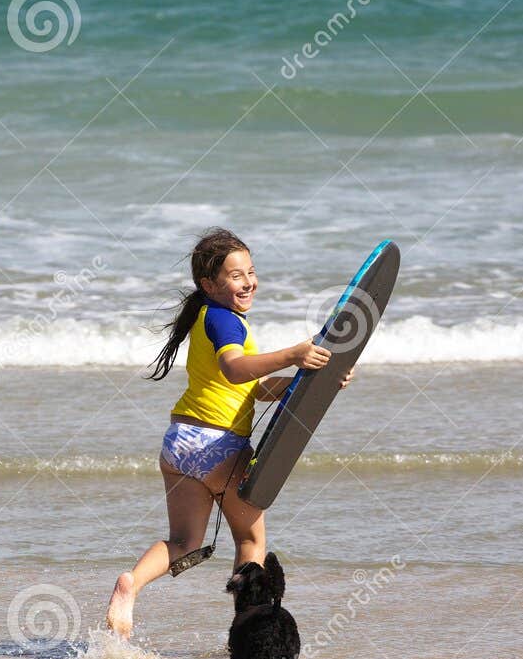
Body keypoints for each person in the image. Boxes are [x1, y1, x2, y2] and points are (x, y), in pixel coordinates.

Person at [105, 228, 351, 637]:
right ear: (209, 284)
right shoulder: (226, 321)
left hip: (180, 443)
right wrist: (294, 352)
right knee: (251, 542)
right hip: (221, 446)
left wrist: (308, 381)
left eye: (251, 272)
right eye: (236, 276)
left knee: (183, 542)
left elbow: (252, 387)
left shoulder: (208, 318)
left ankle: (131, 584)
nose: (248, 281)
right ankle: (245, 631)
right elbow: (236, 369)